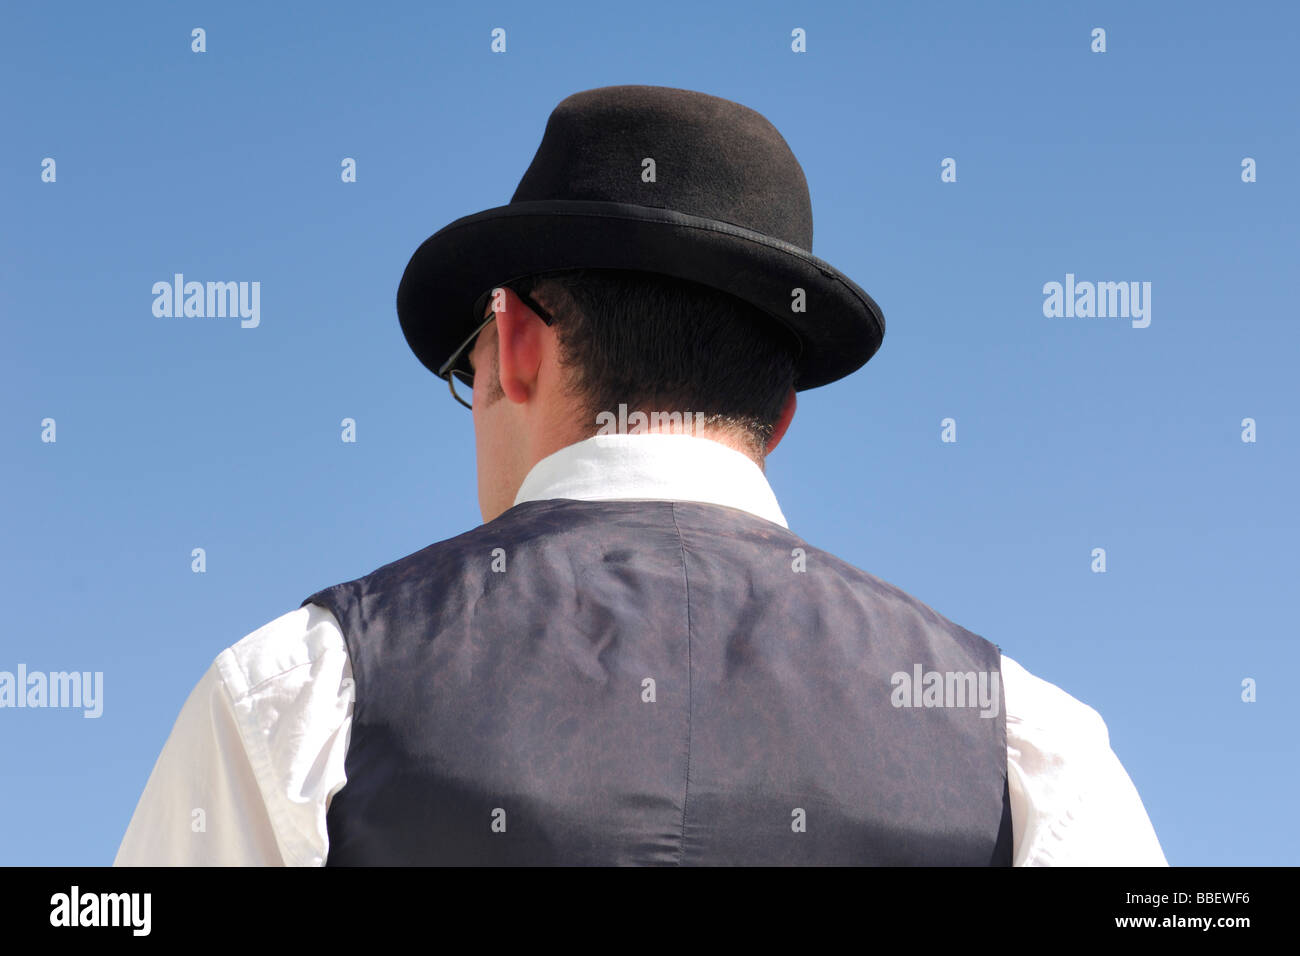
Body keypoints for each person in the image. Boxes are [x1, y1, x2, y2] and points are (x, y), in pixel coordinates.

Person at [114, 84, 1167, 866]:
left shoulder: (301, 690)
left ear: (514, 342)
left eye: (464, 371)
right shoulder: (1025, 744)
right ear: (781, 415)